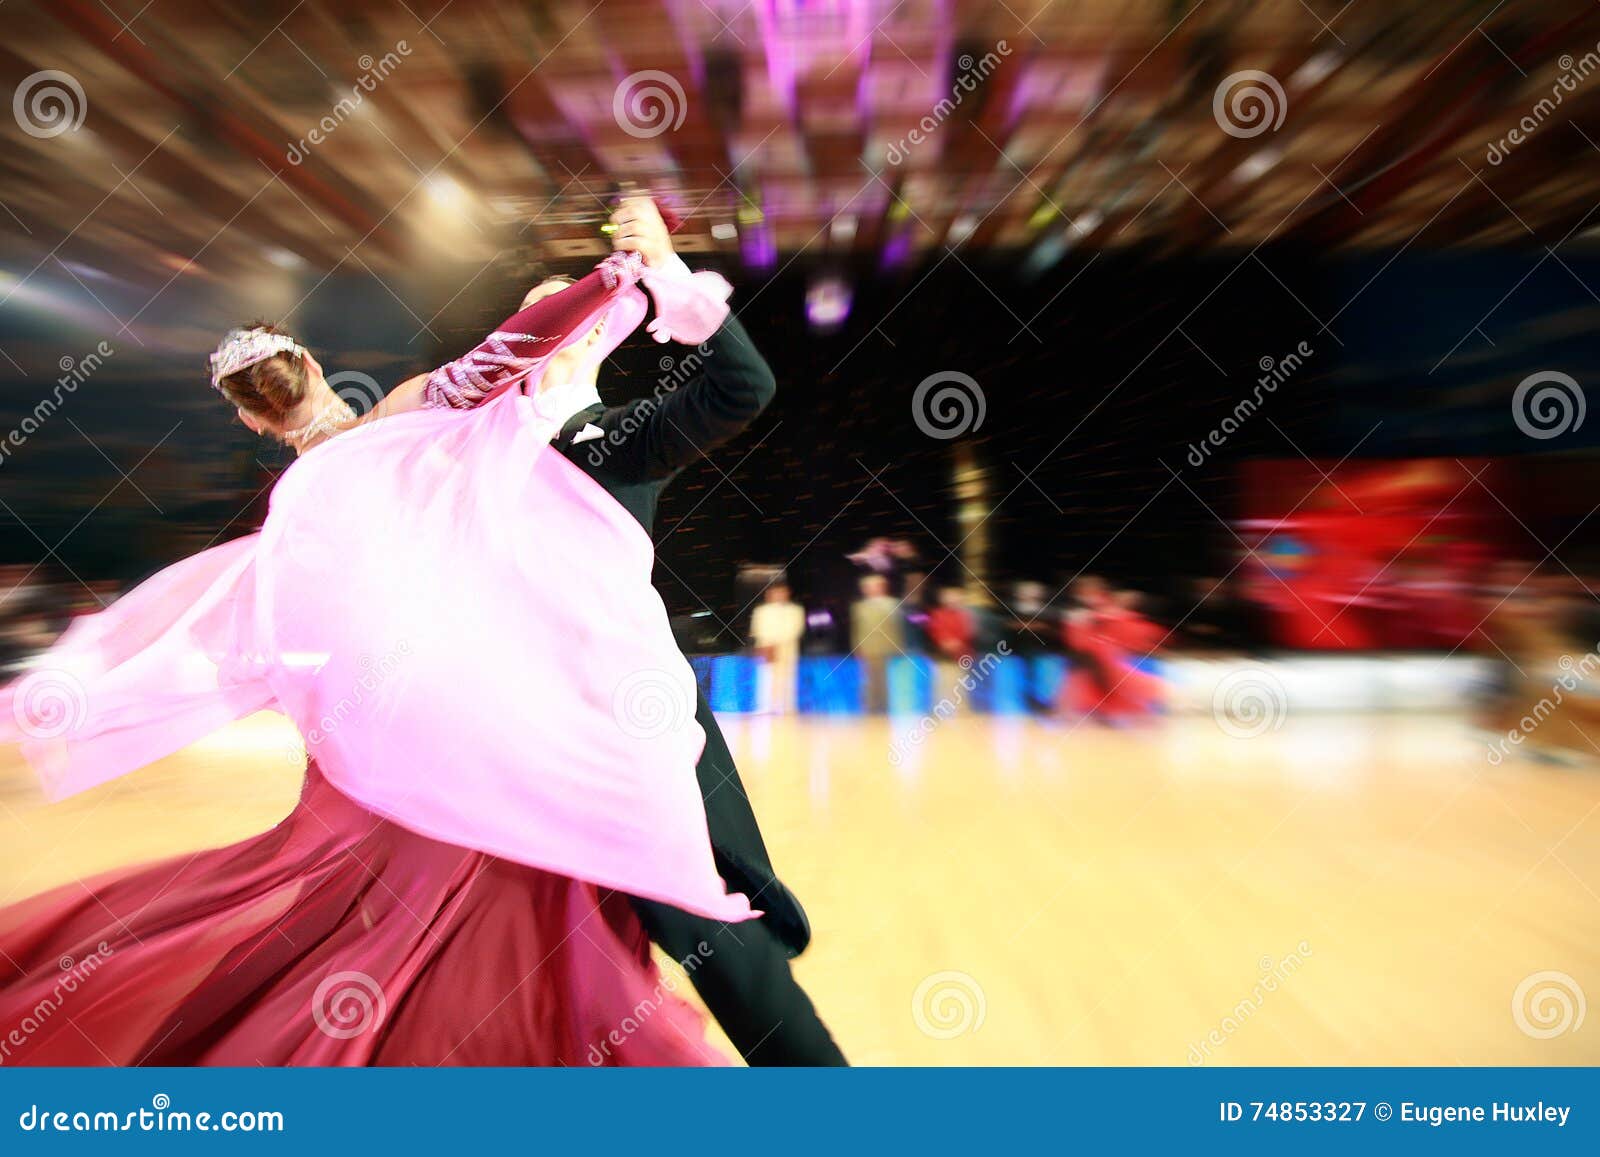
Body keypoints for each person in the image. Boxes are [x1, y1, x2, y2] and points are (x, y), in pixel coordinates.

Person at [0, 250, 754, 1066]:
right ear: (316, 368)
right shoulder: (396, 411)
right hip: (463, 699)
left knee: (348, 887)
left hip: (369, 729)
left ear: (253, 421)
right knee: (495, 869)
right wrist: (599, 288)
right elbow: (503, 355)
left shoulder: (294, 505)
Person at [514, 197, 846, 1065]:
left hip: (624, 730)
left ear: (594, 336)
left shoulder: (608, 440)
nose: (546, 319)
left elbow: (746, 387)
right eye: (534, 308)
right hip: (520, 737)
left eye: (567, 307)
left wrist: (664, 267)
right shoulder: (477, 449)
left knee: (701, 922)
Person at [751, 581, 806, 714]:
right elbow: (757, 629)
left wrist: (777, 642)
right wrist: (767, 644)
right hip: (766, 649)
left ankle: (786, 707)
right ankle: (764, 707)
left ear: (787, 593)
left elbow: (796, 629)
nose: (778, 595)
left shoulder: (796, 610)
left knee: (787, 678)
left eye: (781, 592)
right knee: (765, 678)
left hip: (787, 649)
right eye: (775, 593)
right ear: (769, 595)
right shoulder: (760, 611)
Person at [851, 572, 903, 712]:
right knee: (868, 682)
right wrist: (857, 647)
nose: (871, 589)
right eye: (868, 587)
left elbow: (898, 628)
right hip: (868, 649)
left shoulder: (893, 604)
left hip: (887, 649)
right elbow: (857, 629)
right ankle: (871, 710)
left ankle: (885, 709)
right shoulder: (859, 607)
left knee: (886, 682)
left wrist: (898, 647)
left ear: (882, 587)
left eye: (875, 586)